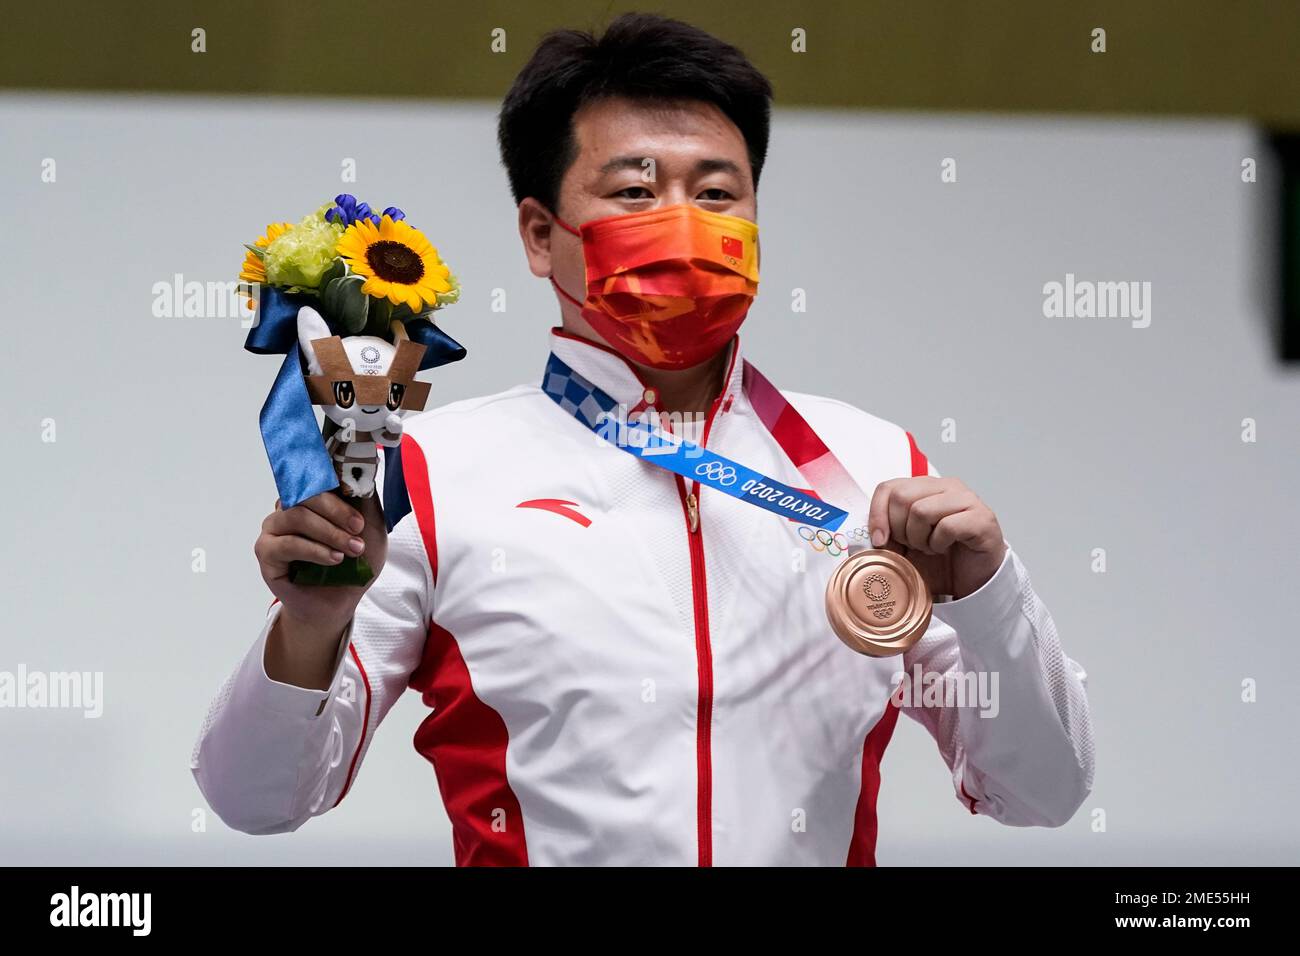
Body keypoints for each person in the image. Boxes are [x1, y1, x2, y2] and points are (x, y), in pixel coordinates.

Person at [192, 12, 1094, 866]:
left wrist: (989, 597)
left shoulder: (872, 466)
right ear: (542, 235)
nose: (685, 223)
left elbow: (1043, 791)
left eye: (716, 192)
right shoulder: (432, 473)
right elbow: (254, 799)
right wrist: (310, 628)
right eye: (635, 191)